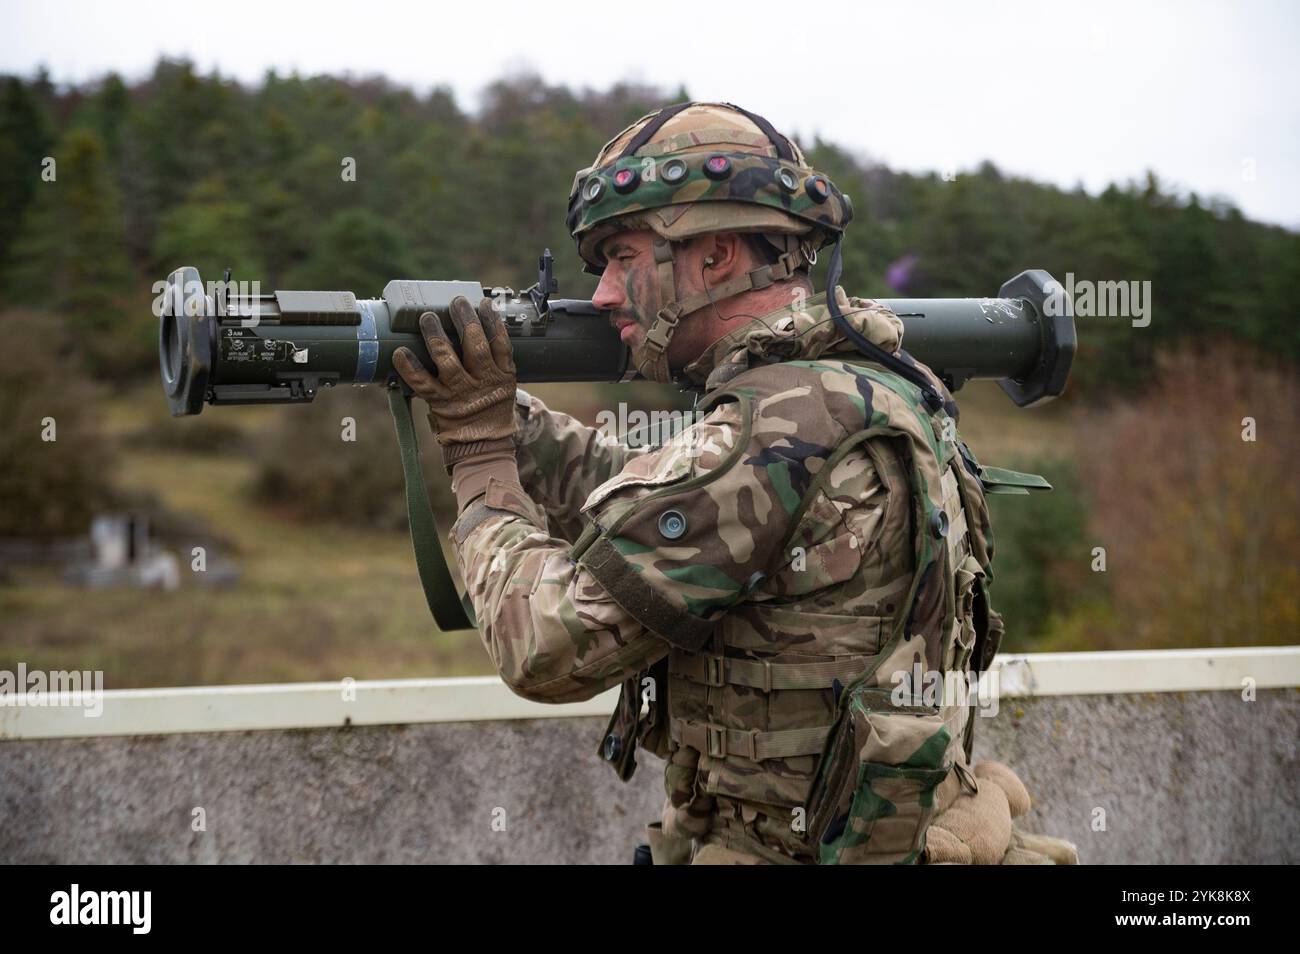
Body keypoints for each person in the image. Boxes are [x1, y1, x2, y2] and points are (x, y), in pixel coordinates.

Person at [393, 102, 1075, 865]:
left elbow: (543, 647)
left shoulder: (772, 429)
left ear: (714, 256)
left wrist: (480, 452)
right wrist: (501, 409)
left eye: (624, 256)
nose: (608, 295)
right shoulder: (869, 388)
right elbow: (659, 496)